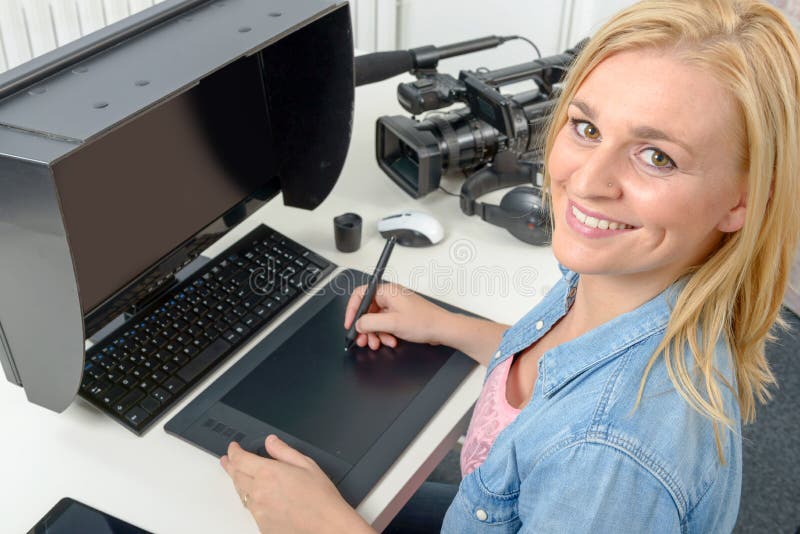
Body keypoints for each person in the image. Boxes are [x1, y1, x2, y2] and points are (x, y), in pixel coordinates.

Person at [219, 0, 800, 531]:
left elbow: (590, 429)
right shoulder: (618, 278)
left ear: (743, 201)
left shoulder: (606, 459)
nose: (587, 183)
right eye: (587, 127)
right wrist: (447, 326)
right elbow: (565, 368)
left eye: (657, 157)